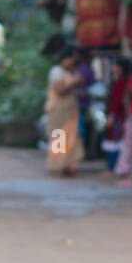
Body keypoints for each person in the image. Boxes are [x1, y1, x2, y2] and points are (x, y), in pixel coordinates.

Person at [45, 47, 85, 176]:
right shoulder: (57, 71)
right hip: (59, 111)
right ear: (65, 59)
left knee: (68, 137)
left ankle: (67, 165)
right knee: (59, 137)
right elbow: (60, 90)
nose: (73, 61)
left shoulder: (67, 72)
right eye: (71, 59)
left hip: (68, 112)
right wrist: (75, 82)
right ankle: (57, 165)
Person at [105, 57, 132, 185]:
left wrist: (112, 115)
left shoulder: (124, 82)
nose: (112, 68)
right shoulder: (127, 81)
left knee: (124, 142)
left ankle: (122, 170)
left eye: (115, 65)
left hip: (127, 116)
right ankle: (121, 169)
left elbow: (119, 100)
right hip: (129, 115)